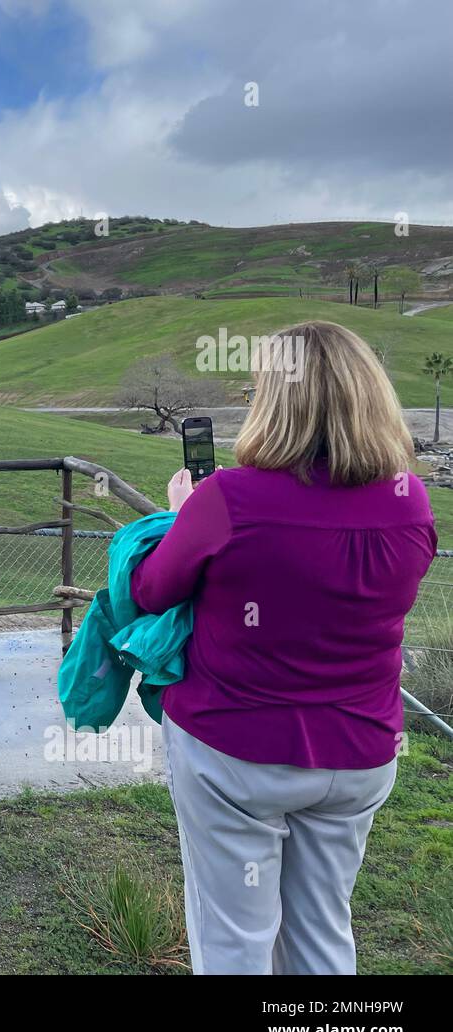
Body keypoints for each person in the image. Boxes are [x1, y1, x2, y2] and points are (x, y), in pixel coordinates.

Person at [131, 321, 437, 975]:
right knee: (323, 933)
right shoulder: (412, 504)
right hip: (358, 756)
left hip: (234, 754)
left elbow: (152, 589)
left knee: (236, 938)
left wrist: (183, 515)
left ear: (276, 400)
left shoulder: (225, 499)